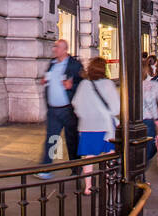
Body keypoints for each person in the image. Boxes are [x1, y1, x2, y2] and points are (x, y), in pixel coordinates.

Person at [70, 56, 119, 193]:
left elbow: (75, 104)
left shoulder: (84, 84)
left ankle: (88, 187)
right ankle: (110, 181)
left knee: (89, 157)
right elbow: (116, 108)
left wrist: (84, 116)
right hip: (105, 126)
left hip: (87, 126)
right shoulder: (108, 84)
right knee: (109, 153)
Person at [37, 39, 82, 179]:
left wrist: (72, 86)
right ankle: (46, 168)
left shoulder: (74, 65)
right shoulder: (52, 63)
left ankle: (76, 168)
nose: (54, 49)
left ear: (64, 49)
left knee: (72, 140)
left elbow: (83, 84)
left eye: (57, 47)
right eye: (55, 47)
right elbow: (49, 79)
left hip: (68, 110)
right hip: (53, 109)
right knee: (52, 138)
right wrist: (45, 81)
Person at [141, 56, 158, 165]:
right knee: (151, 144)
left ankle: (139, 164)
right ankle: (144, 162)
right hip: (149, 119)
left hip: (135, 120)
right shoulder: (154, 84)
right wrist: (156, 111)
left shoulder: (133, 85)